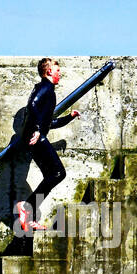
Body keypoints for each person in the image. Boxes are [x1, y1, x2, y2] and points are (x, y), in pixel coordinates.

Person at [15, 57, 80, 232]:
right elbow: (32, 104)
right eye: (57, 71)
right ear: (49, 71)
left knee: (51, 176)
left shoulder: (47, 89)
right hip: (37, 138)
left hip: (36, 137)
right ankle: (26, 207)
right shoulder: (45, 87)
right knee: (59, 173)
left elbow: (49, 122)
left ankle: (28, 215)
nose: (60, 74)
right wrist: (36, 130)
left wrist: (69, 117)